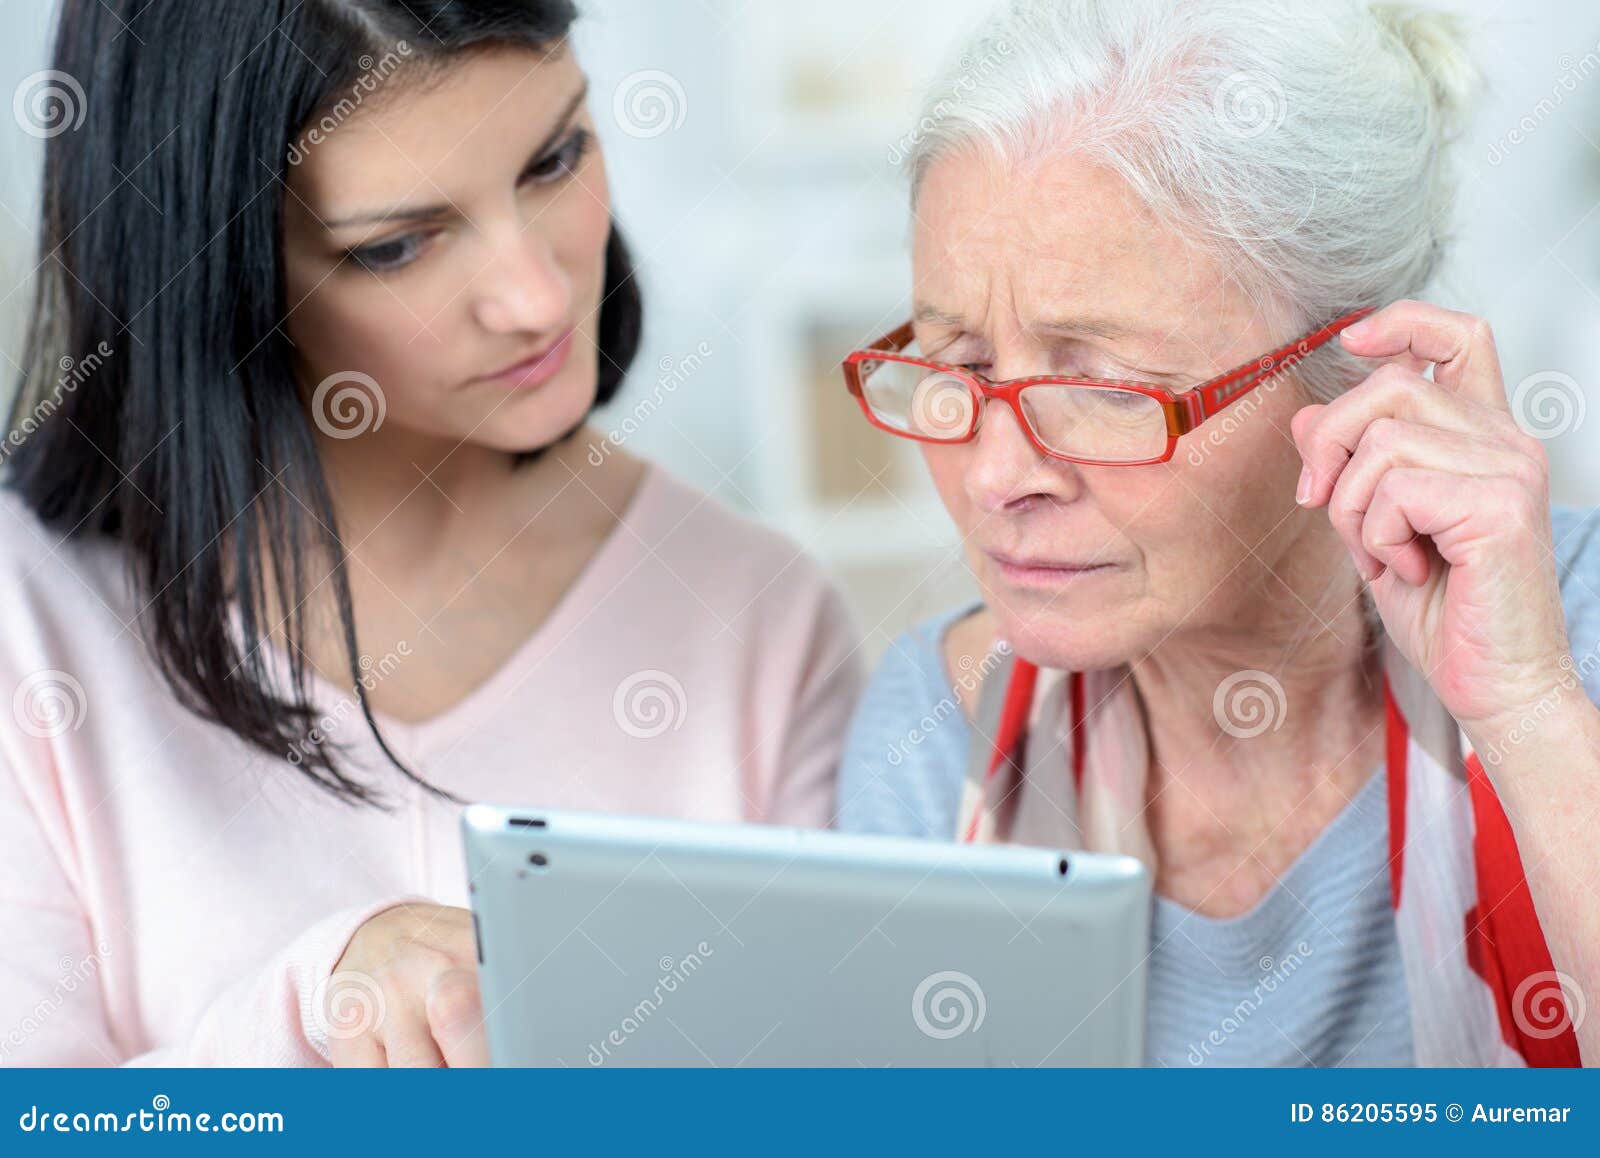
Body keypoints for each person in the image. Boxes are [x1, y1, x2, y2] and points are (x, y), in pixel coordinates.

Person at [0, 0, 859, 1067]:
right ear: (214, 270)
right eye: (398, 244)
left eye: (554, 159)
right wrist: (315, 1015)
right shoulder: (28, 625)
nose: (537, 299)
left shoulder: (757, 618)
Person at [837, 0, 1598, 1066]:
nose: (996, 478)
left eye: (1101, 386)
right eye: (955, 363)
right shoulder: (938, 735)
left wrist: (1525, 706)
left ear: (1357, 369)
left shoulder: (1572, 631)